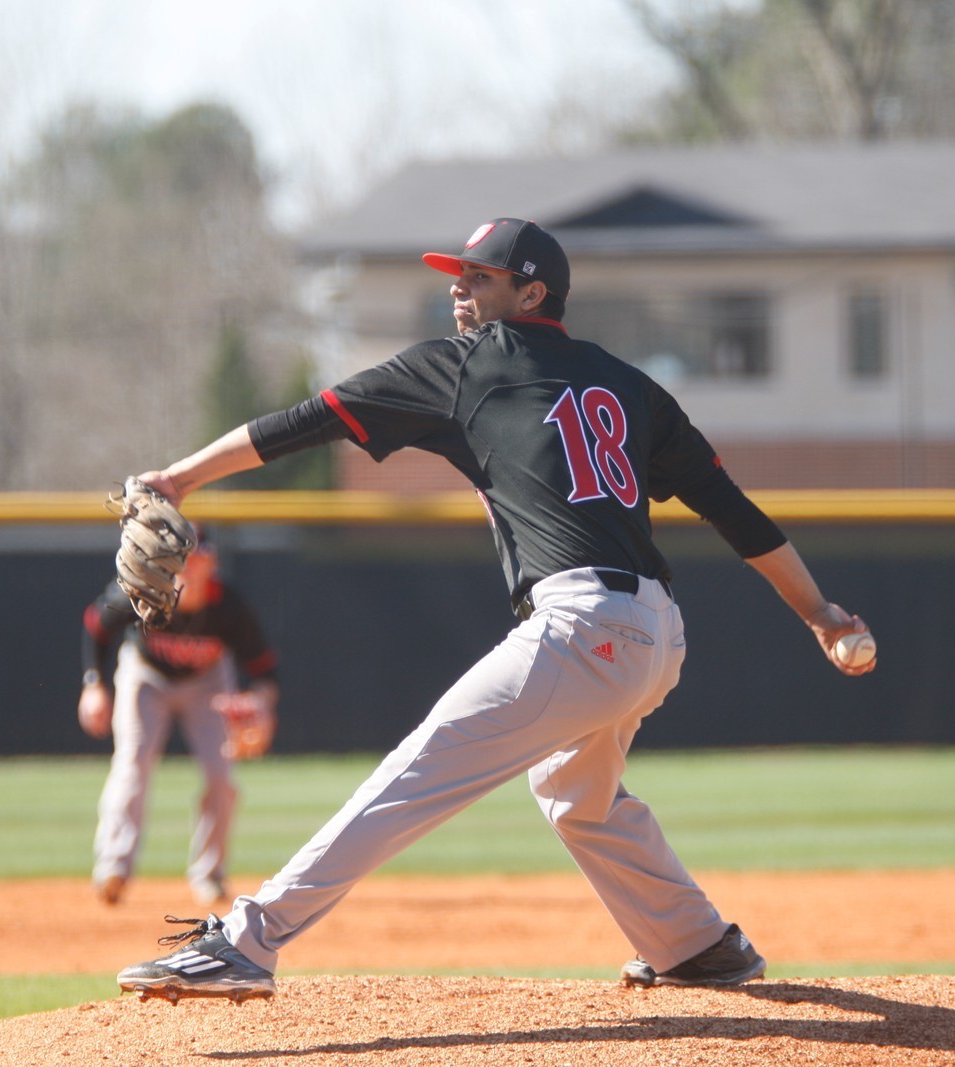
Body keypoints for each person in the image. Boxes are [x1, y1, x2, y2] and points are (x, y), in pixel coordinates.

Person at [116, 217, 874, 1003]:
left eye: (479, 276)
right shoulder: (630, 382)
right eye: (460, 274)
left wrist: (180, 477)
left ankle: (246, 940)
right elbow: (736, 512)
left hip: (580, 628)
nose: (459, 286)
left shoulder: (465, 365)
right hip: (656, 631)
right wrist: (820, 612)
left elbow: (307, 422)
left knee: (415, 771)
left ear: (531, 292)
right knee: (576, 792)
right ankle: (694, 943)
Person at [79, 527, 280, 909]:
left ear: (212, 564)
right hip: (146, 677)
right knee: (132, 766)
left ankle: (210, 875)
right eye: (182, 561)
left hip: (207, 682)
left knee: (221, 778)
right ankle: (113, 868)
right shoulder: (143, 588)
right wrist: (93, 684)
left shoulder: (228, 605)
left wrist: (262, 706)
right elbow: (95, 625)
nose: (190, 569)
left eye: (198, 560)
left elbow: (264, 669)